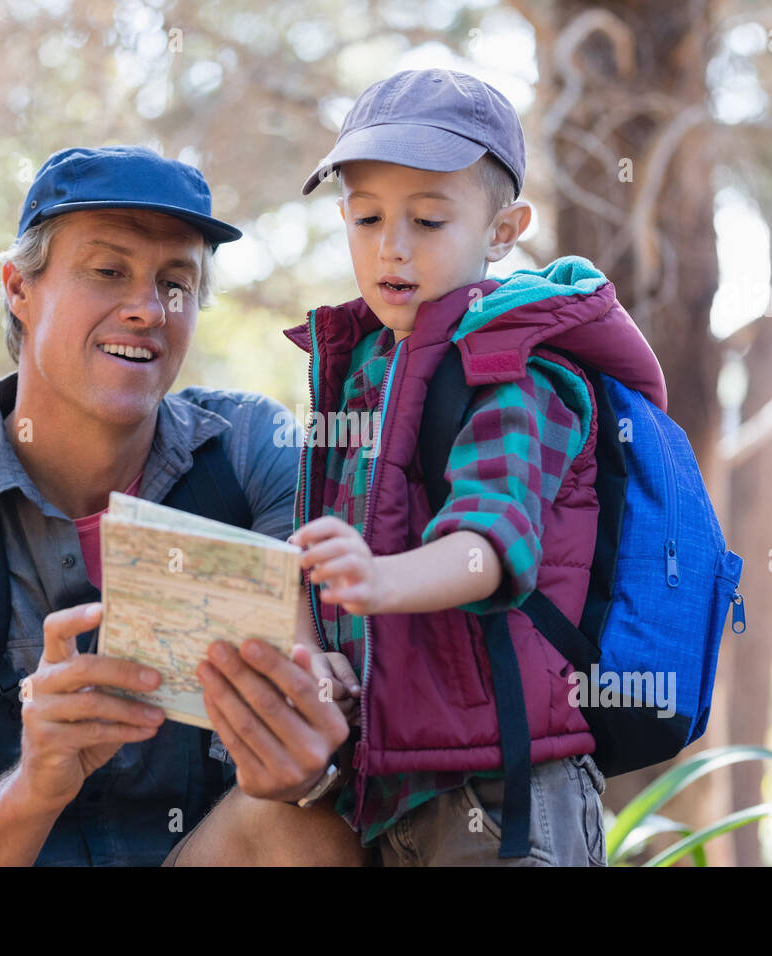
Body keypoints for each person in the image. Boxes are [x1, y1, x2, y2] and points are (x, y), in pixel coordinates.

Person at [0, 145, 362, 866]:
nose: (145, 309)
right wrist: (38, 781)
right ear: (18, 287)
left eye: (175, 283)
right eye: (108, 272)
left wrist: (309, 763)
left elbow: (318, 689)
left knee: (299, 822)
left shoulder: (253, 455)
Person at [285, 69, 668, 865]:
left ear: (503, 230)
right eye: (365, 217)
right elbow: (314, 556)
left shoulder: (516, 372)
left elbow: (491, 546)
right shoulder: (362, 367)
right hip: (391, 778)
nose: (392, 245)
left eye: (428, 219)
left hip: (508, 793)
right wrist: (313, 643)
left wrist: (379, 582)